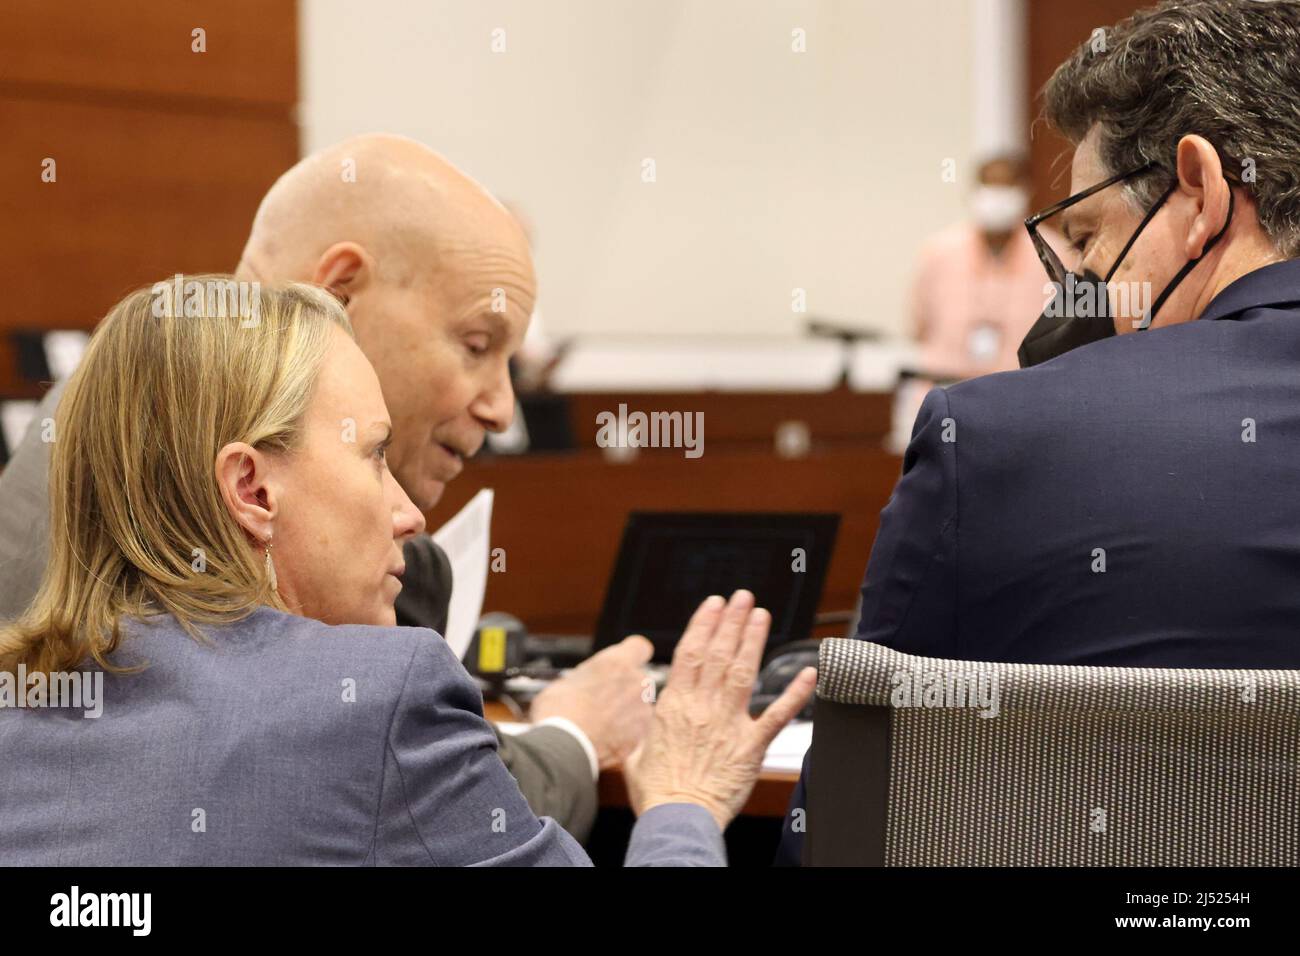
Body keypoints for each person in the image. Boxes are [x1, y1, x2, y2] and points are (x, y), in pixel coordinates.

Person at [0, 279, 814, 865]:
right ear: (252, 489)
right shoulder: (374, 703)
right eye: (374, 455)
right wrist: (683, 803)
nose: (410, 514)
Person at [0, 135, 639, 841]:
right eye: (477, 346)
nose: (502, 407)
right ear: (339, 292)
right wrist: (582, 736)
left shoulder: (98, 411)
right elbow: (440, 805)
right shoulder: (337, 650)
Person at [779, 0, 1300, 864]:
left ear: (1200, 190)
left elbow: (846, 817)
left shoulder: (994, 440)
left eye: (1087, 238)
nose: (1081, 285)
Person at [910, 153, 1054, 380]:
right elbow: (919, 328)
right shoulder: (939, 252)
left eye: (1006, 186)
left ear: (1025, 191)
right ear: (974, 191)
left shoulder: (1053, 253)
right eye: (990, 185)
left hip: (1022, 387)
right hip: (946, 385)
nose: (997, 196)